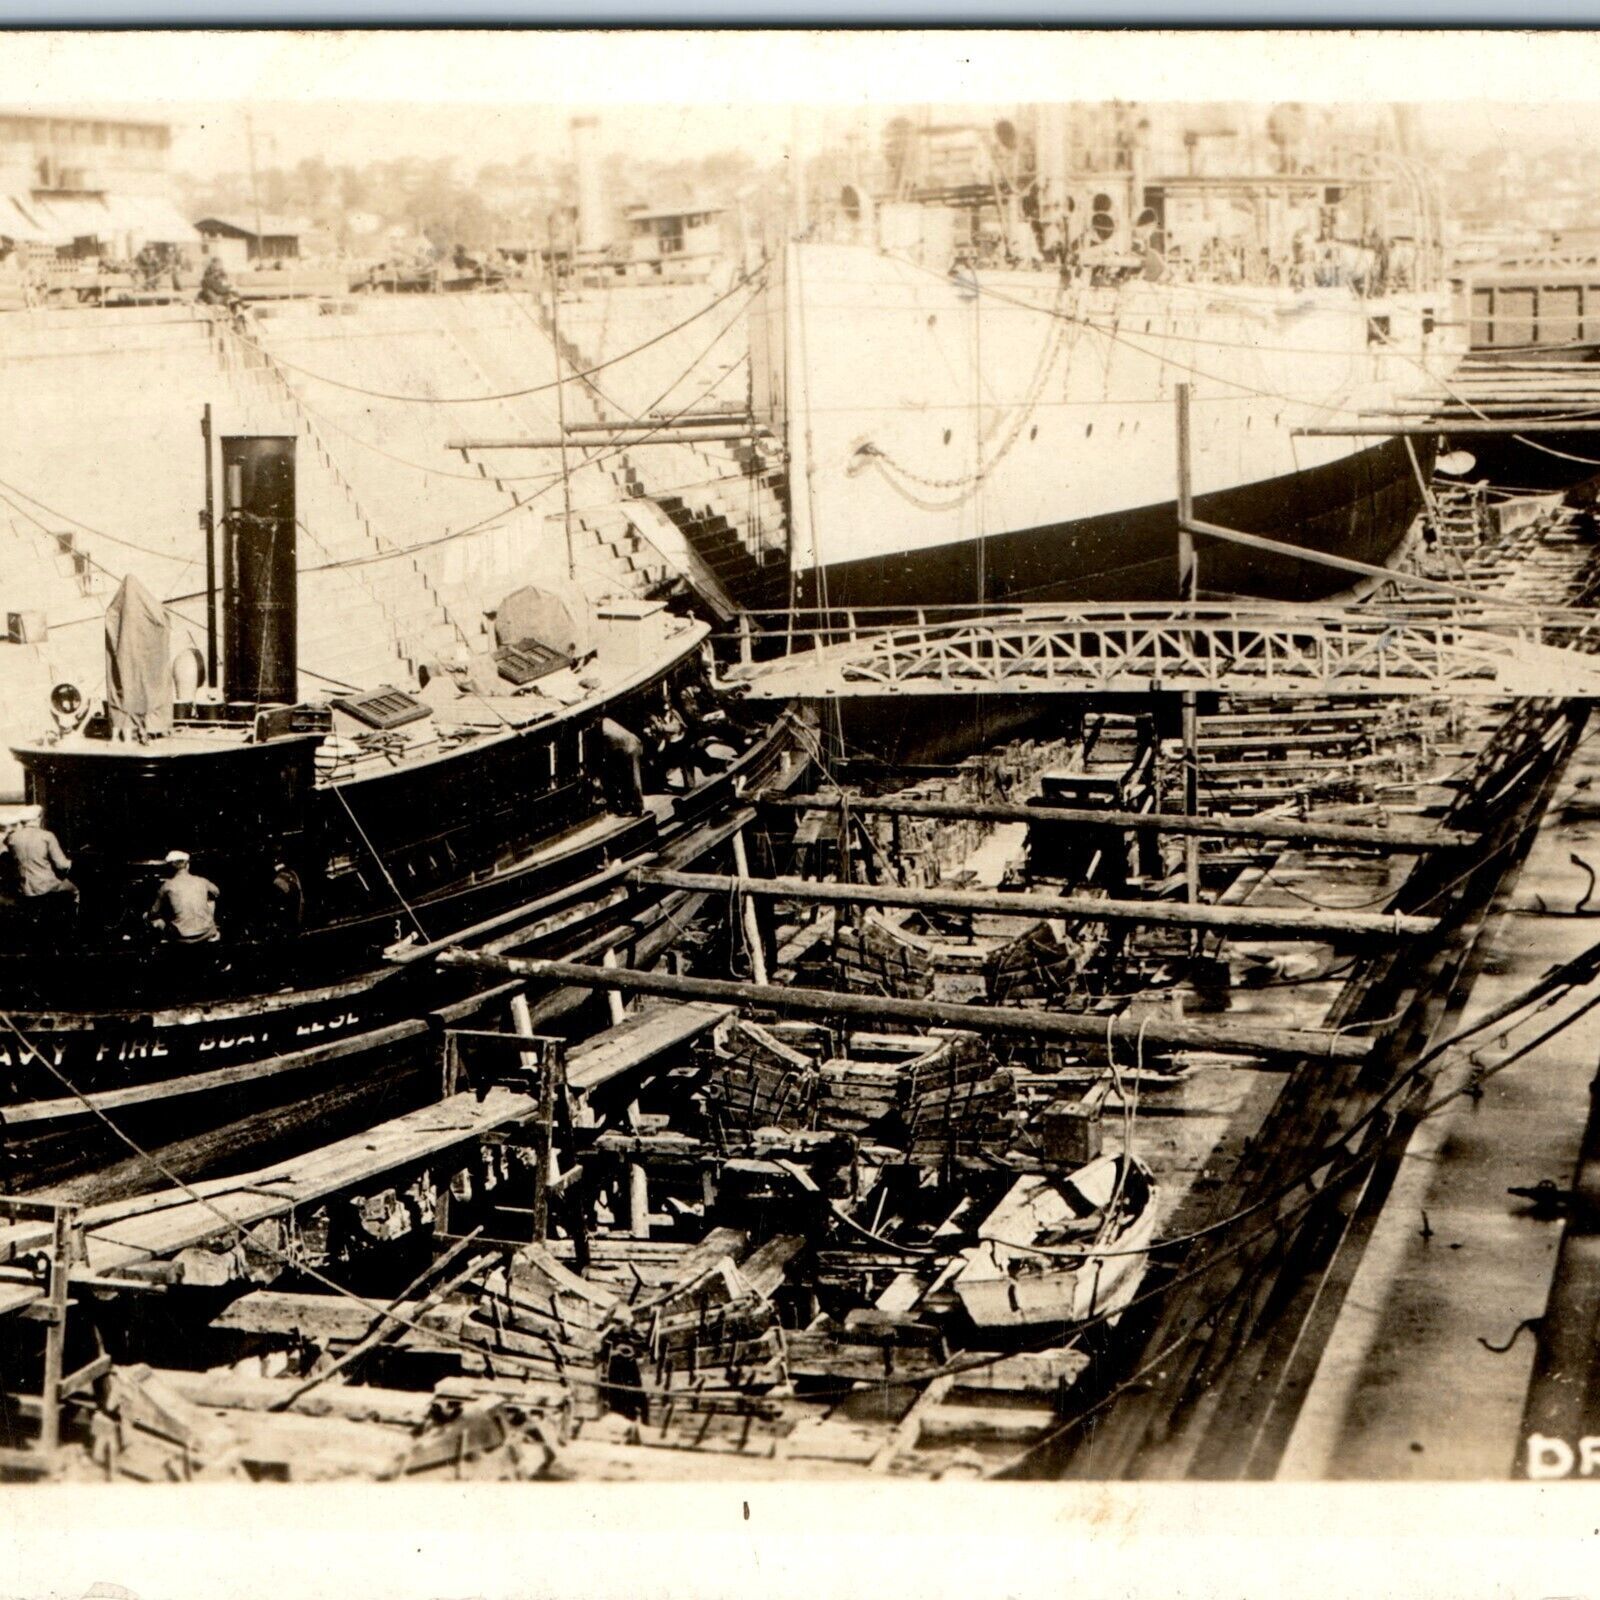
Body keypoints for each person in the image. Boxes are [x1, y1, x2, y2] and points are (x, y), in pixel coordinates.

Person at [6, 805, 76, 905]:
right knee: (75, 890)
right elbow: (61, 865)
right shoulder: (47, 836)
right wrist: (72, 863)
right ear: (38, 818)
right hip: (47, 886)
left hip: (25, 888)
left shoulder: (12, 838)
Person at [148, 850, 220, 943]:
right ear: (187, 865)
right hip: (206, 933)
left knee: (154, 919)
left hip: (181, 937)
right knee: (210, 901)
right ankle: (211, 932)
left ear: (170, 868)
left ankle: (165, 939)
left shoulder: (167, 885)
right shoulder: (202, 881)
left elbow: (154, 912)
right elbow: (216, 892)